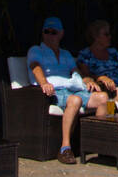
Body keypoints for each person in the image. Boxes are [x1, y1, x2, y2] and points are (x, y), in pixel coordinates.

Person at [28, 17, 108, 164]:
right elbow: (35, 66)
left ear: (61, 34)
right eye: (47, 31)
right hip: (54, 92)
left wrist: (88, 80)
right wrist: (44, 83)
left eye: (54, 32)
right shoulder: (37, 50)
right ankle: (65, 148)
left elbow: (75, 71)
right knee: (75, 100)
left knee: (102, 97)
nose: (50, 35)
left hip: (72, 88)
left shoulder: (65, 54)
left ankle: (98, 143)